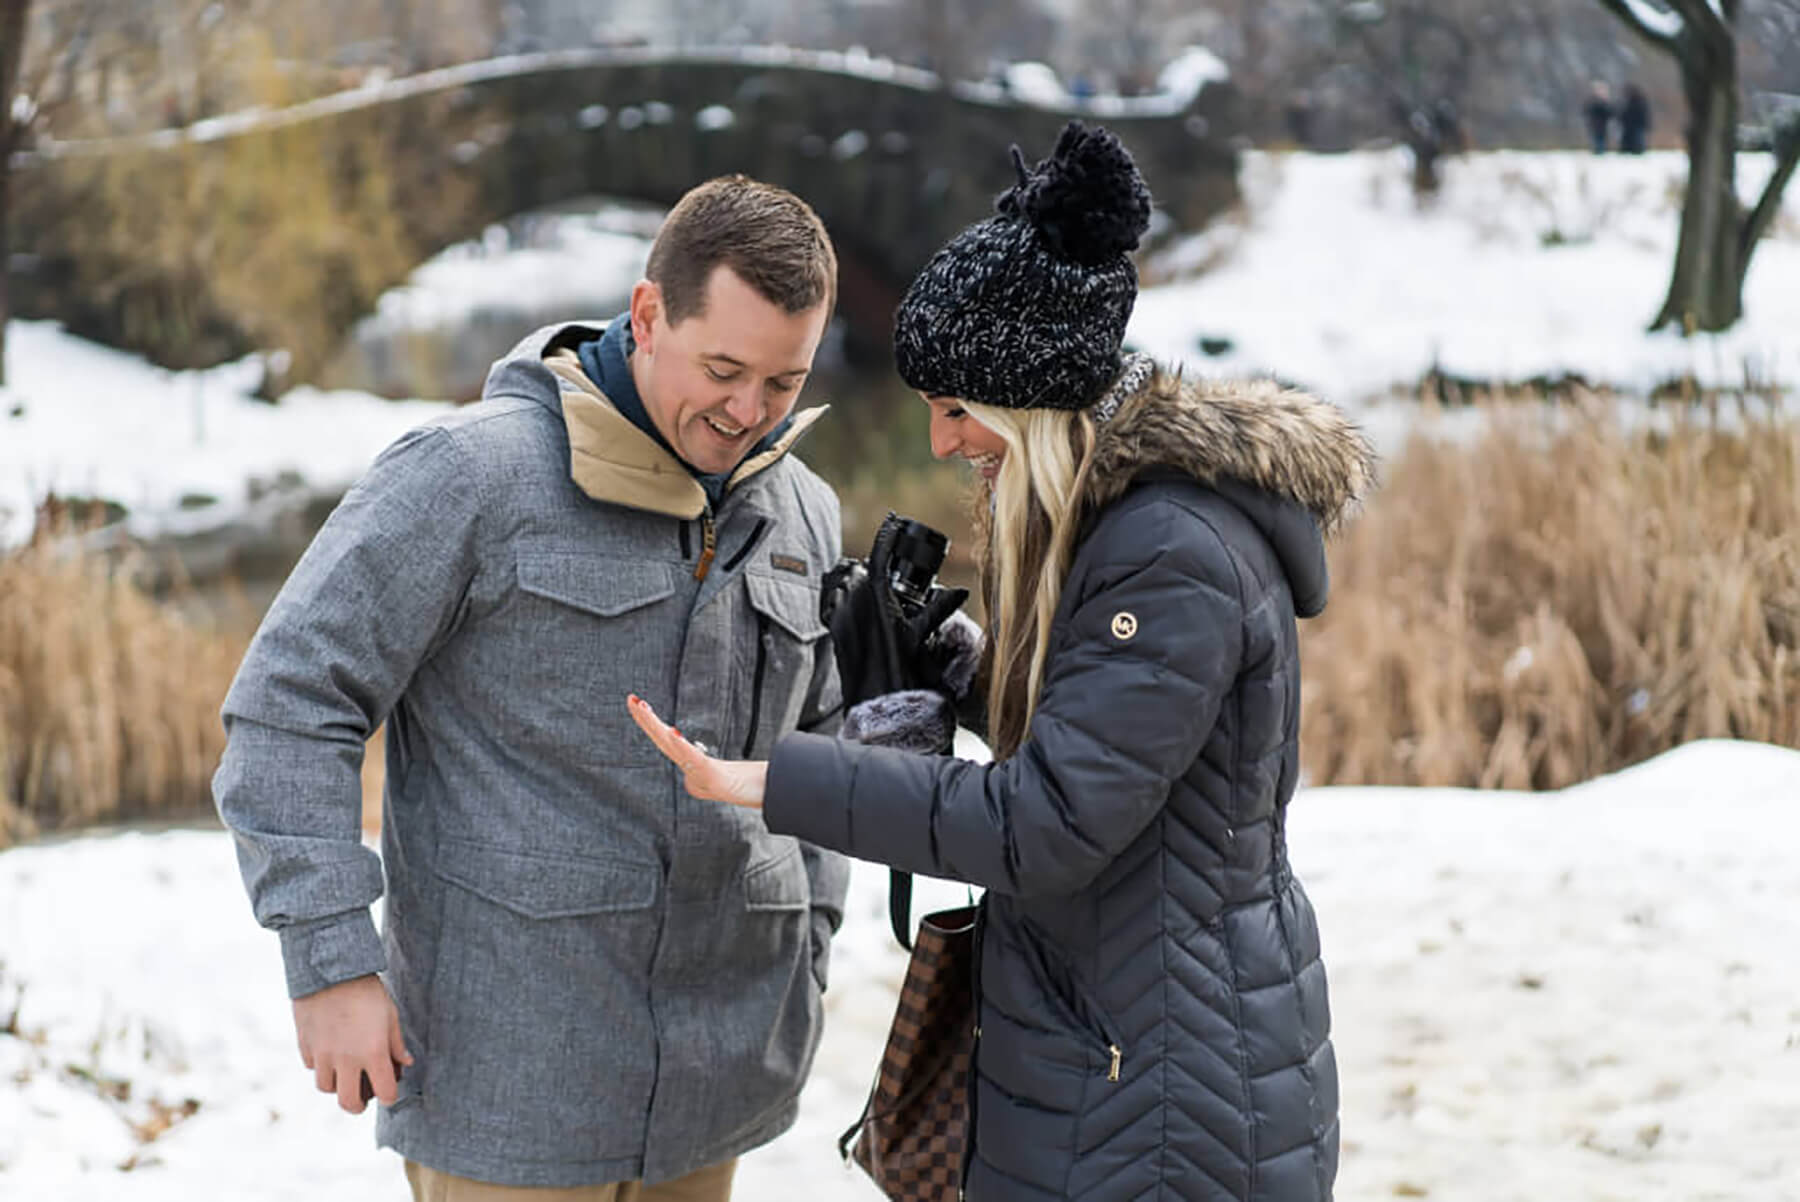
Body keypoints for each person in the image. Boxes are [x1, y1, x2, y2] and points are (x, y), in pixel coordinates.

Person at [628, 122, 1377, 1201]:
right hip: (1122, 1046)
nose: (943, 442)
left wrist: (767, 778)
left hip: (1160, 1097)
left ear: (1027, 402)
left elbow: (1045, 820)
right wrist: (954, 659)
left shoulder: (1167, 551)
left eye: (955, 409)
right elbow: (1112, 743)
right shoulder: (1127, 527)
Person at [214, 174, 851, 1201]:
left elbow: (823, 748)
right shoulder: (468, 478)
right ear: (648, 315)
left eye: (783, 382)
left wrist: (808, 944)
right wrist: (329, 957)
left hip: (716, 1088)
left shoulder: (804, 512)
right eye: (724, 369)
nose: (749, 413)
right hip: (510, 1090)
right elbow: (289, 705)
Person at [1619, 84, 1652, 154]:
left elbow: (1642, 114)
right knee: (1635, 139)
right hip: (1633, 125)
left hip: (1638, 124)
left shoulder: (1638, 101)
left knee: (1638, 139)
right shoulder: (1630, 101)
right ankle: (1633, 150)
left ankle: (1638, 151)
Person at [1584, 81, 1614, 154]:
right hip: (1595, 124)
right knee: (1596, 139)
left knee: (1601, 139)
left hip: (1603, 124)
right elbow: (1587, 111)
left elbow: (1610, 113)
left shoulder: (1605, 102)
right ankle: (1597, 151)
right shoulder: (1592, 101)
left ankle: (1601, 151)